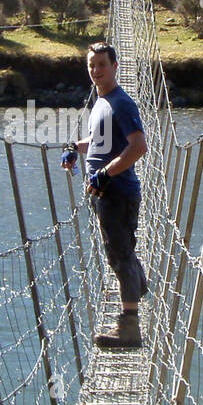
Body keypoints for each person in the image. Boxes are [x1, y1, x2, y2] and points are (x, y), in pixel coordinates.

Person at [61, 41, 148, 349]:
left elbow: (138, 147)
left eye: (102, 64)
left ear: (115, 67)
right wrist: (74, 148)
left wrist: (105, 173)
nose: (96, 70)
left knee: (119, 255)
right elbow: (100, 141)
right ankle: (138, 284)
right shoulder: (101, 102)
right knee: (121, 251)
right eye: (92, 65)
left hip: (116, 192)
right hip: (105, 191)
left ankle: (129, 330)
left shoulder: (121, 103)